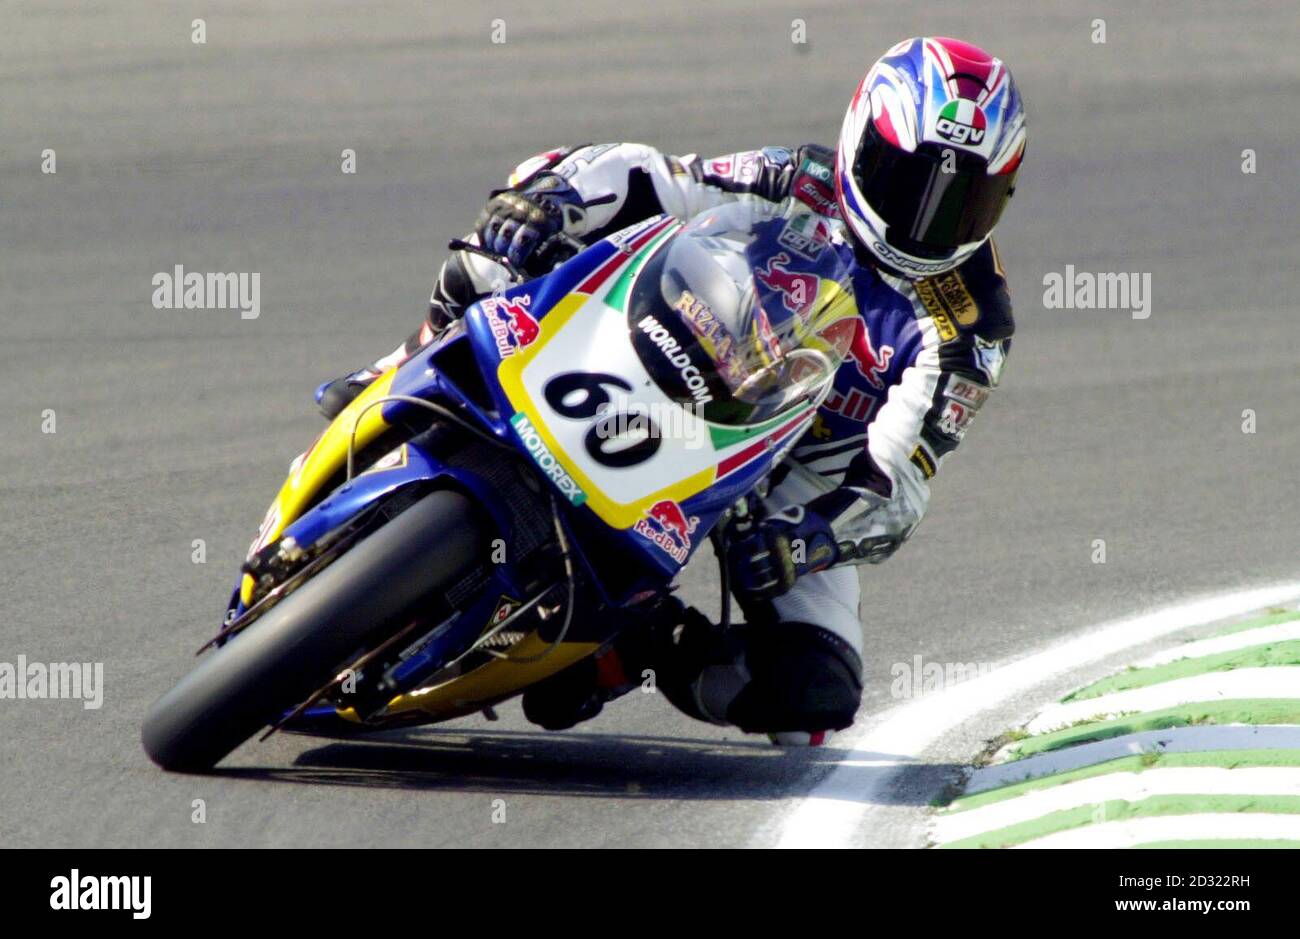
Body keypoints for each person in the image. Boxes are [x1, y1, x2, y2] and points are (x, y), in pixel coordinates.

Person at [317, 37, 1026, 745]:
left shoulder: (968, 327)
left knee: (815, 690)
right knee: (491, 261)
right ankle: (395, 370)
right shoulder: (796, 179)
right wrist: (551, 202)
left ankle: (637, 641)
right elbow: (651, 178)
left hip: (787, 484)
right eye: (907, 181)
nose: (924, 219)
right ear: (861, 138)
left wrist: (810, 539)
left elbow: (897, 478)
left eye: (962, 200)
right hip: (673, 361)